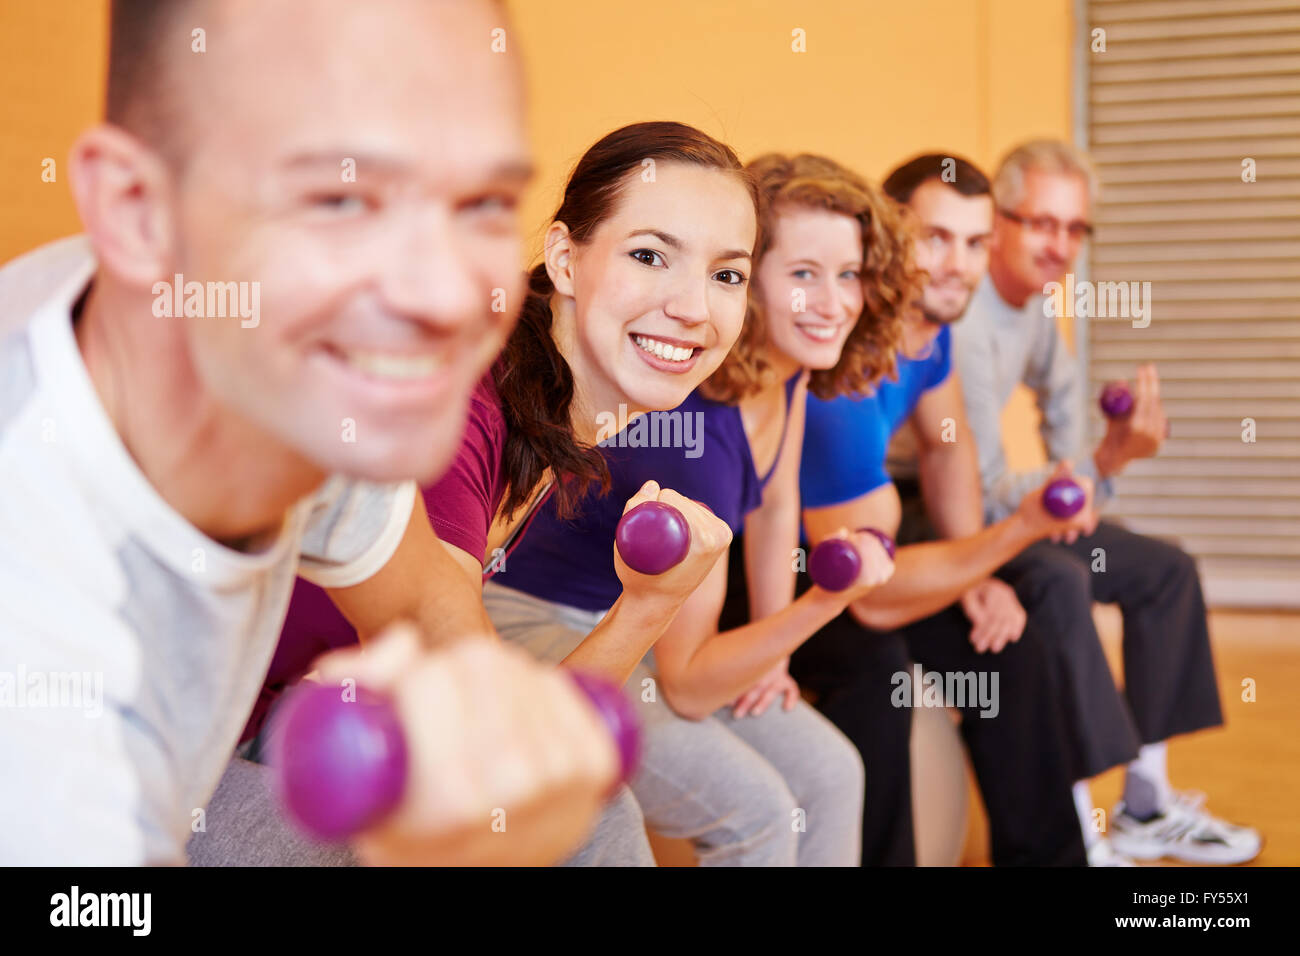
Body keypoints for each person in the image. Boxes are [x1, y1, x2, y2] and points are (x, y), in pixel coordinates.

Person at [0, 0, 624, 867]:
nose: (445, 296)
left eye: (482, 200)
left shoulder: (284, 368)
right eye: (341, 198)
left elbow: (416, 596)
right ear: (138, 212)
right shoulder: (42, 714)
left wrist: (479, 740)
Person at [256, 122, 755, 866]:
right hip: (215, 750)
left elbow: (530, 737)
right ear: (564, 258)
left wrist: (648, 604)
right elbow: (498, 743)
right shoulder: (466, 404)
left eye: (728, 275)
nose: (694, 307)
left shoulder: (552, 431)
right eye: (649, 256)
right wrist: (649, 608)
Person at [489, 154, 922, 866]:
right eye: (803, 274)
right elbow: (688, 683)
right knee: (760, 813)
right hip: (538, 624)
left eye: (848, 274)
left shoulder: (783, 380)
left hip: (636, 631)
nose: (834, 300)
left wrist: (771, 654)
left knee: (833, 770)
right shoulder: (699, 437)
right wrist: (824, 602)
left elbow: (778, 502)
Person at [951, 139, 1261, 864]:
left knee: (1166, 569)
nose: (1060, 245)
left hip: (1010, 511)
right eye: (1041, 223)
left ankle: (1144, 807)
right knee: (1059, 583)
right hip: (948, 520)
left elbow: (1063, 412)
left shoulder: (1032, 310)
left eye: (1074, 228)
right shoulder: (965, 325)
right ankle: (1077, 832)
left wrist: (1087, 474)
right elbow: (992, 496)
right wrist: (1102, 462)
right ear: (1000, 222)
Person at [789, 154, 1099, 866]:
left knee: (1009, 636)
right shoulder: (844, 363)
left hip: (857, 552)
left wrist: (976, 574)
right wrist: (1014, 532)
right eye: (936, 238)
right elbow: (866, 596)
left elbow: (945, 450)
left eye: (975, 242)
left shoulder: (933, 337)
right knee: (879, 663)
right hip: (771, 566)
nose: (957, 264)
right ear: (889, 240)